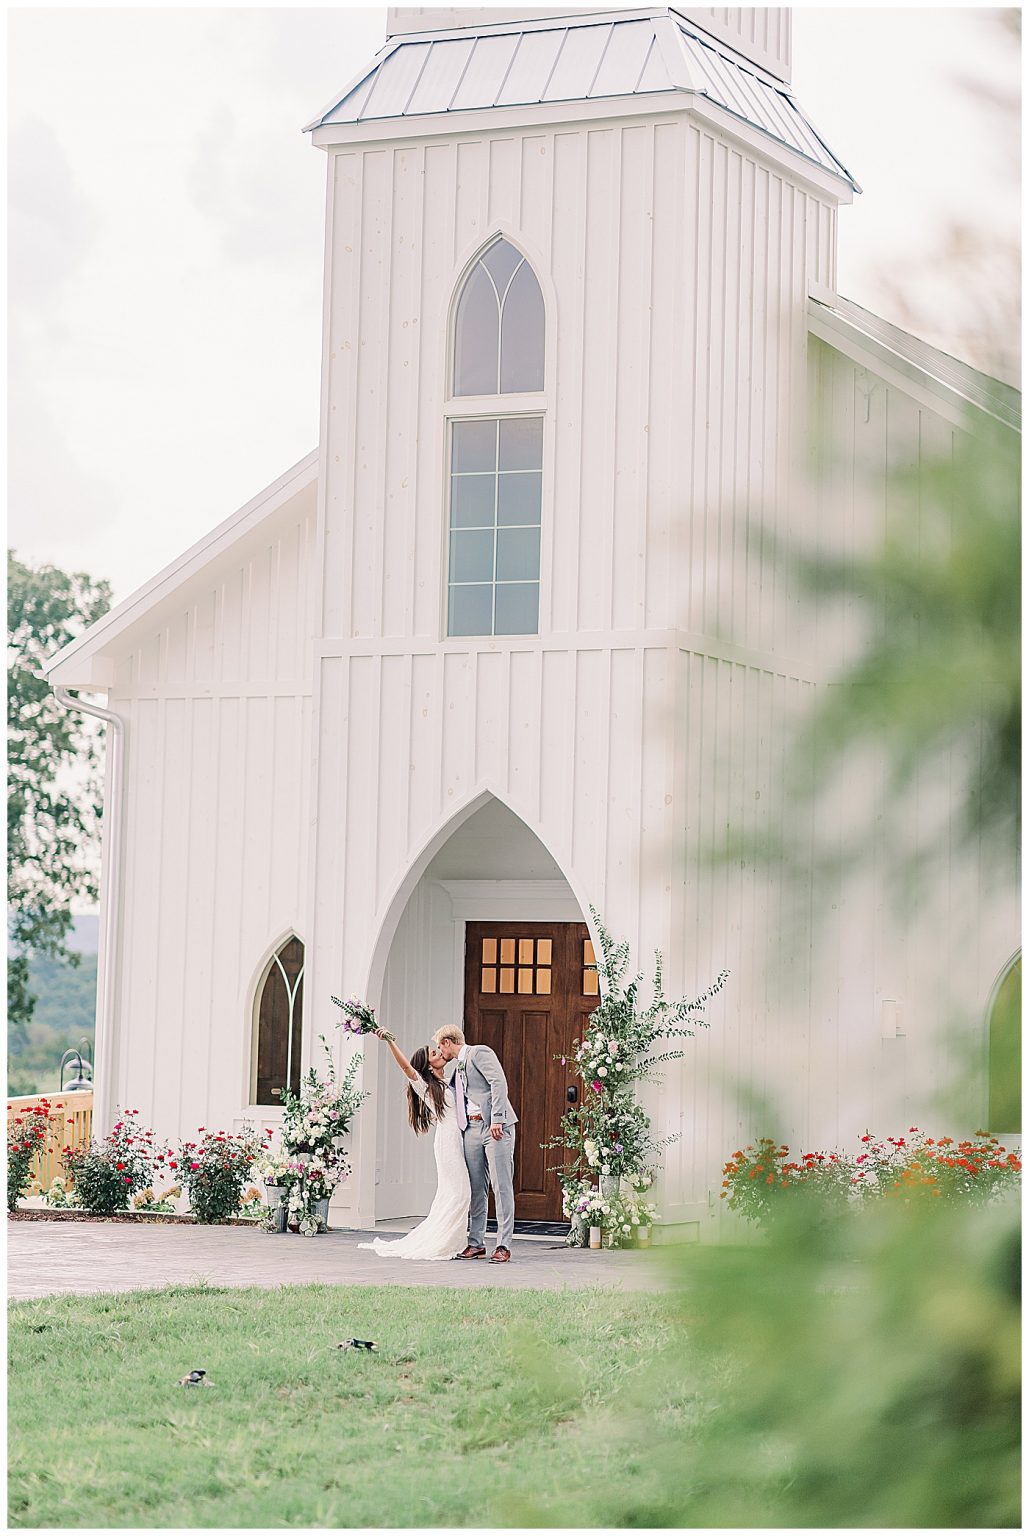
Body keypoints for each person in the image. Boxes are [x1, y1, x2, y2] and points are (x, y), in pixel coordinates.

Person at [356, 1032, 471, 1261]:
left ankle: (452, 1240)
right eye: (434, 1053)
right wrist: (390, 1041)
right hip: (447, 1144)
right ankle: (445, 1241)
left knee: (453, 1193)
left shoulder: (446, 1082)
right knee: (460, 1192)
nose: (439, 1052)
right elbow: (407, 1069)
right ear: (427, 1065)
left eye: (438, 1049)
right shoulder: (425, 1086)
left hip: (459, 1141)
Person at [433, 1025, 518, 1264]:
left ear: (448, 1042)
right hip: (470, 1129)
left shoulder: (479, 1053)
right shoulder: (455, 1070)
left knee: (501, 1186)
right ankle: (476, 1243)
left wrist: (498, 1118)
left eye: (440, 1047)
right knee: (475, 1187)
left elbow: (498, 1083)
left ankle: (503, 1244)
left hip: (494, 1127)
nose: (440, 1053)